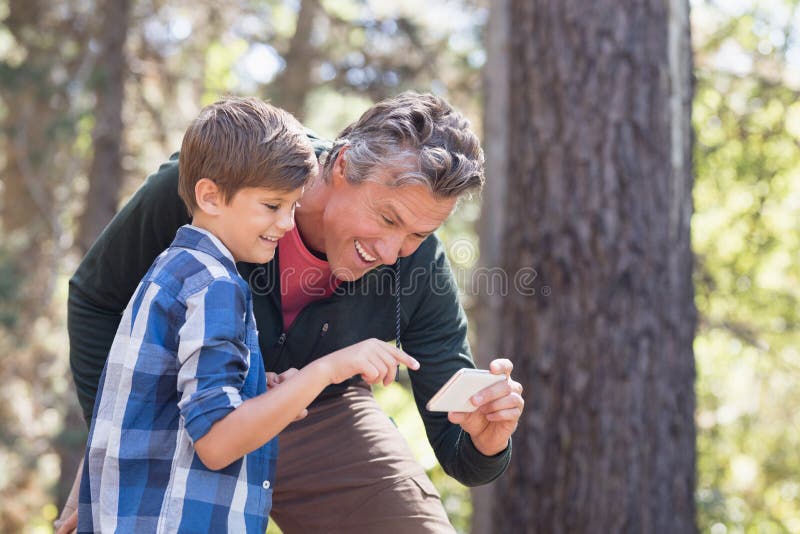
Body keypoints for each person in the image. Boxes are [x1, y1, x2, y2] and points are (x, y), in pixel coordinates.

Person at [59, 92, 524, 533]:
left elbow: (459, 446)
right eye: (387, 219)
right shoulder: (226, 182)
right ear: (341, 166)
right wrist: (118, 443)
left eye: (418, 235)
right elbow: (96, 299)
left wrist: (488, 439)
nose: (391, 251)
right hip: (185, 402)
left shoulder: (417, 263)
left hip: (321, 407)